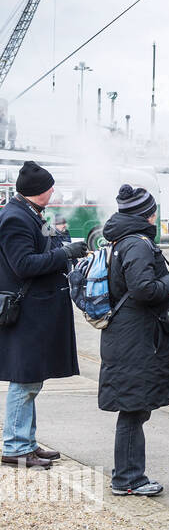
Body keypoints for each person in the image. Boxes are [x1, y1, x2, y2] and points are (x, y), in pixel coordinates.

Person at [97, 184, 169, 497]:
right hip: (134, 337)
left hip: (128, 335)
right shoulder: (136, 244)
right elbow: (143, 290)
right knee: (133, 409)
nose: (155, 214)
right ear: (145, 214)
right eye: (152, 210)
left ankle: (128, 476)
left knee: (135, 407)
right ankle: (128, 478)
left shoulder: (122, 240)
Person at [0, 161, 87, 469]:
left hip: (37, 309)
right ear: (40, 192)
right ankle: (14, 446)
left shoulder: (32, 214)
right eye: (51, 187)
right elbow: (23, 264)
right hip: (27, 312)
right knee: (24, 380)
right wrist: (64, 254)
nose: (54, 191)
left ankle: (26, 442)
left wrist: (67, 246)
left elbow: (52, 242)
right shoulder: (15, 219)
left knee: (31, 379)